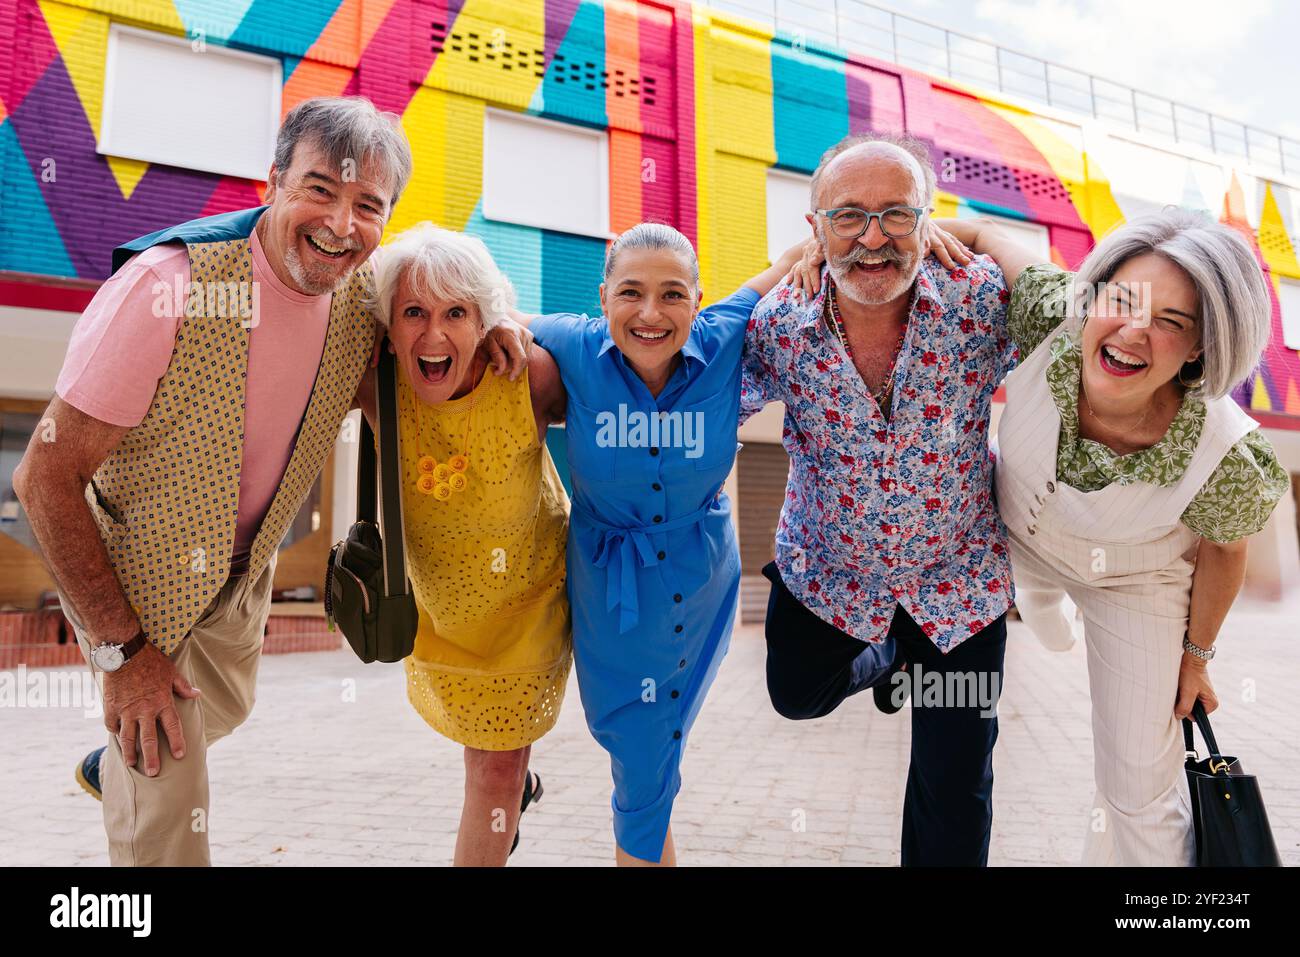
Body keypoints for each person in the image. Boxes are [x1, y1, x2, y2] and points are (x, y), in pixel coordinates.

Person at [12, 97, 526, 866]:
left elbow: (437, 291)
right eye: (319, 189)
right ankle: (138, 768)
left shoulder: (363, 297)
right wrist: (123, 657)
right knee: (166, 772)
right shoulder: (168, 288)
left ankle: (117, 763)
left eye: (367, 205)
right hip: (137, 578)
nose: (340, 223)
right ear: (274, 179)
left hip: (237, 574)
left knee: (226, 702)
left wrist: (499, 318)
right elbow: (43, 475)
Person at [937, 208, 1288, 864]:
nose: (1133, 330)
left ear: (1201, 348)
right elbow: (980, 232)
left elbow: (1225, 551)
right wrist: (913, 231)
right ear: (1093, 294)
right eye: (1122, 300)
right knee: (1045, 614)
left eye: (1171, 323)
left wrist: (1196, 657)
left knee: (1139, 786)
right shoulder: (1051, 310)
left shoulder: (1232, 453)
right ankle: (1048, 611)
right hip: (1017, 538)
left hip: (1134, 578)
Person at [742, 131, 1016, 866]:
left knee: (955, 790)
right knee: (796, 695)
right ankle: (889, 654)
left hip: (957, 585)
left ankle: (910, 657)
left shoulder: (979, 300)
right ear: (814, 229)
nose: (873, 238)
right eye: (847, 217)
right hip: (829, 574)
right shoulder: (778, 326)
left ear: (926, 222)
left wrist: (984, 231)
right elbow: (690, 393)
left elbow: (1077, 323)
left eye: (896, 214)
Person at [523, 224, 819, 865]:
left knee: (651, 747)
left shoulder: (725, 333)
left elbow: (790, 259)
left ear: (697, 298)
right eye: (630, 292)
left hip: (699, 573)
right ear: (603, 299)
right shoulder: (569, 342)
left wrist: (896, 229)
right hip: (611, 586)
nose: (651, 313)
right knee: (636, 738)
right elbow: (487, 314)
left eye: (672, 294)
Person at [357, 223, 570, 866]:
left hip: (528, 603)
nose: (433, 335)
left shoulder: (526, 373)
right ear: (387, 326)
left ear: (484, 318)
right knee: (490, 760)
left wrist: (521, 322)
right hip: (442, 613)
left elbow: (606, 352)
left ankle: (507, 798)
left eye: (457, 313)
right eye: (413, 313)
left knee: (496, 768)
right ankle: (512, 798)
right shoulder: (373, 380)